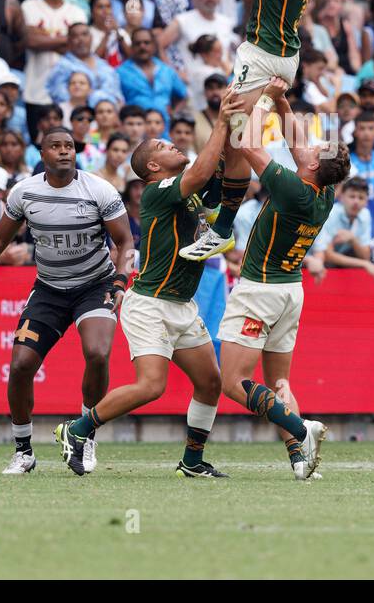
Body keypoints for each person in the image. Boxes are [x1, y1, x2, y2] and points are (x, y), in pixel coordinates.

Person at [55, 90, 245, 478]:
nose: (173, 143)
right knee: (151, 387)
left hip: (181, 304)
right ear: (153, 166)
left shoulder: (188, 194)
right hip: (151, 304)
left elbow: (227, 175)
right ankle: (76, 429)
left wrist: (240, 125)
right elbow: (202, 173)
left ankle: (192, 461)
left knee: (210, 382)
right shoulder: (158, 191)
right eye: (163, 145)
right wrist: (221, 120)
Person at [0, 125, 135, 475]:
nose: (64, 151)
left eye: (69, 146)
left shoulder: (99, 189)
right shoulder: (23, 193)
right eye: (56, 146)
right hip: (48, 289)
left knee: (97, 352)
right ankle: (23, 451)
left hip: (96, 284)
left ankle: (84, 435)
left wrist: (121, 279)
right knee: (20, 365)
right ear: (42, 154)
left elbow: (125, 242)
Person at [179, 0, 321, 261]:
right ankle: (213, 198)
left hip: (262, 53)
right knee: (237, 132)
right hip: (282, 53)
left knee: (238, 134)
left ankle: (222, 227)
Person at [208, 77, 335, 478]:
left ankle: (301, 427)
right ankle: (301, 460)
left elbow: (247, 145)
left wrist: (262, 100)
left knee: (232, 382)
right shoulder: (323, 190)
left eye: (315, 149)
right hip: (290, 292)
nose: (308, 146)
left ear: (313, 165)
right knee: (279, 382)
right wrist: (282, 100)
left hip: (259, 291)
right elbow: (299, 142)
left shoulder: (292, 187)